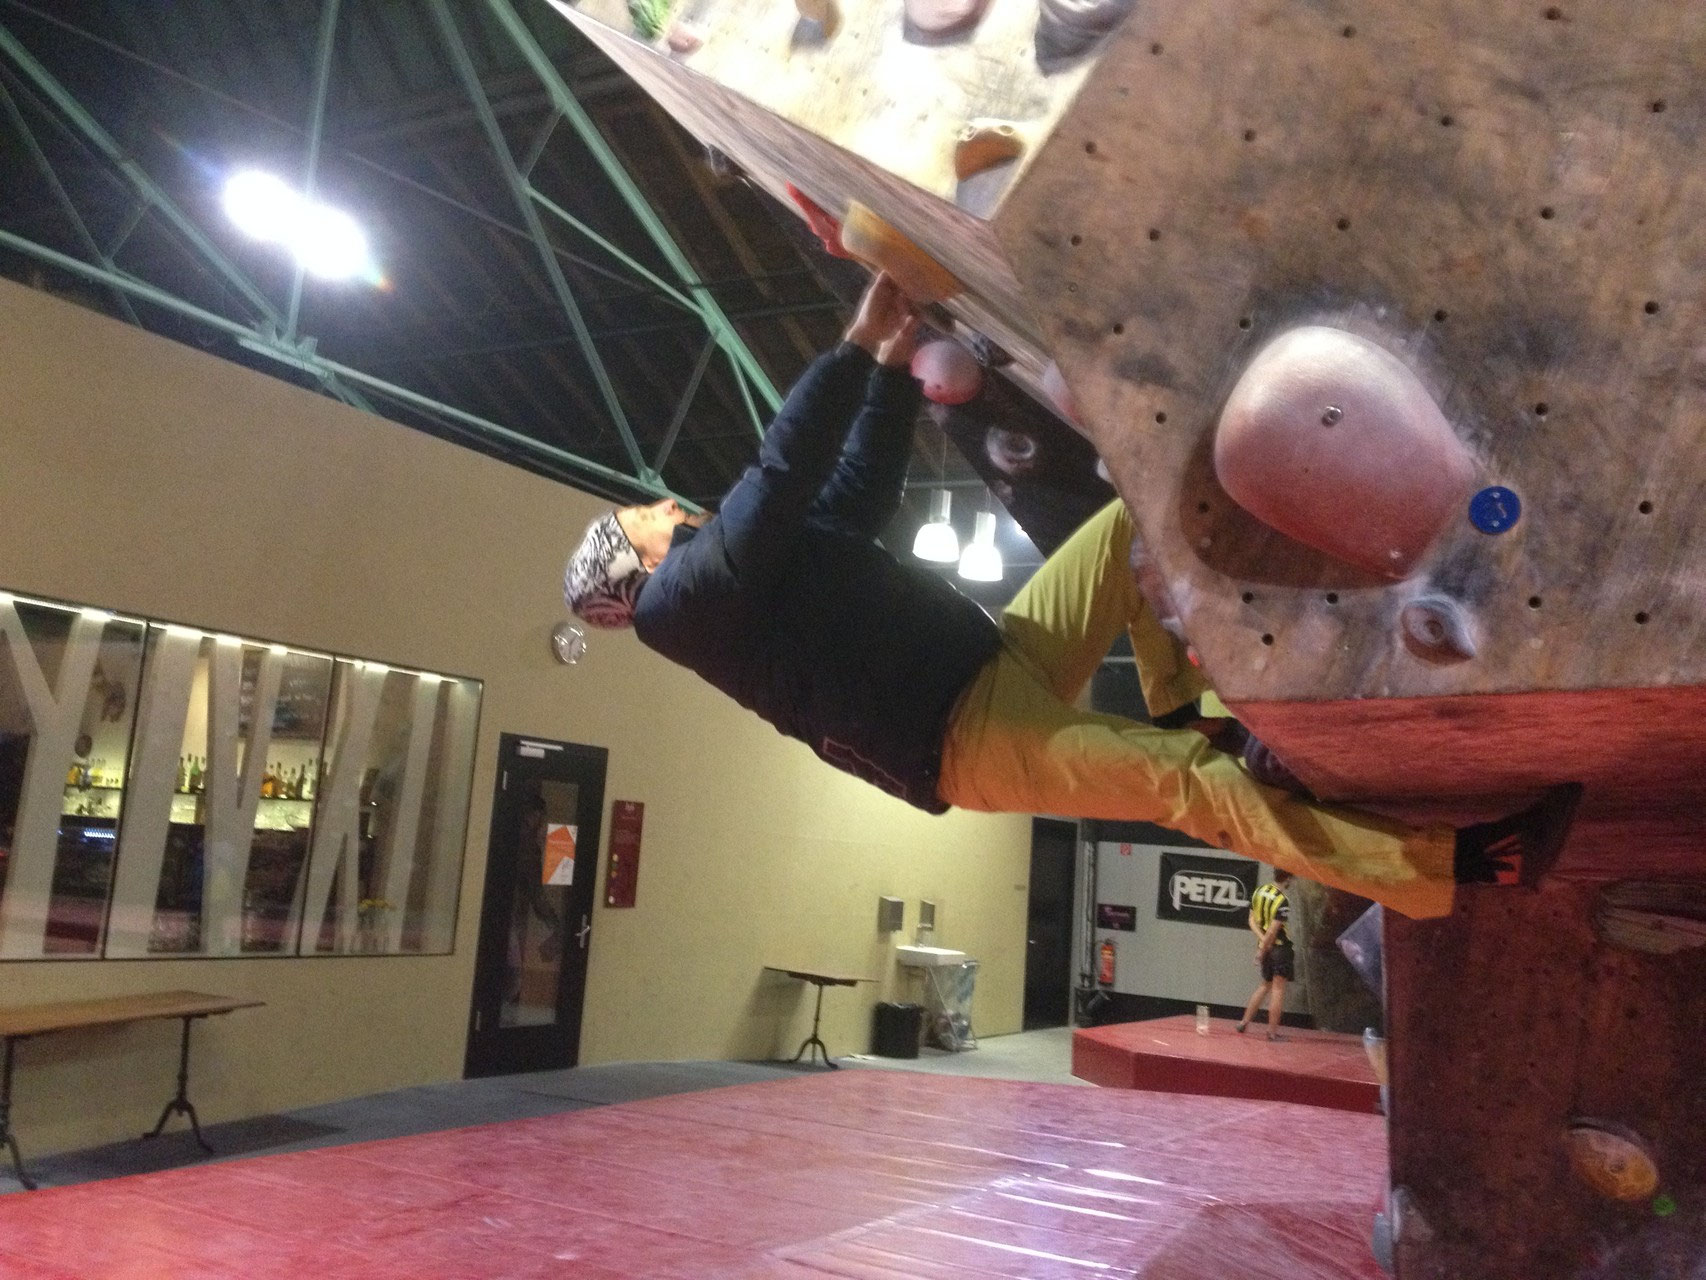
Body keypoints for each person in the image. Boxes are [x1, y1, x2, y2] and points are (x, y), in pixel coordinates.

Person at [563, 272, 1580, 921]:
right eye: (637, 514)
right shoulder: (678, 609)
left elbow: (851, 495)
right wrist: (855, 341)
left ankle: (1185, 701)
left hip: (987, 655)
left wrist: (897, 371)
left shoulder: (732, 575)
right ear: (629, 561)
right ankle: (1452, 868)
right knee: (1181, 781)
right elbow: (778, 478)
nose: (655, 500)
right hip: (953, 735)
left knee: (1124, 523)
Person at [1237, 869, 1295, 1039]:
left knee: (1265, 985)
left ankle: (1243, 1022)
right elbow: (1273, 931)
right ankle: (1272, 1033)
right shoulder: (1282, 901)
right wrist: (1264, 947)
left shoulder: (1259, 891)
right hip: (1280, 949)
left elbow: (1251, 921)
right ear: (1288, 878)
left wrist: (1262, 944)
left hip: (1267, 948)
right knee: (1277, 990)